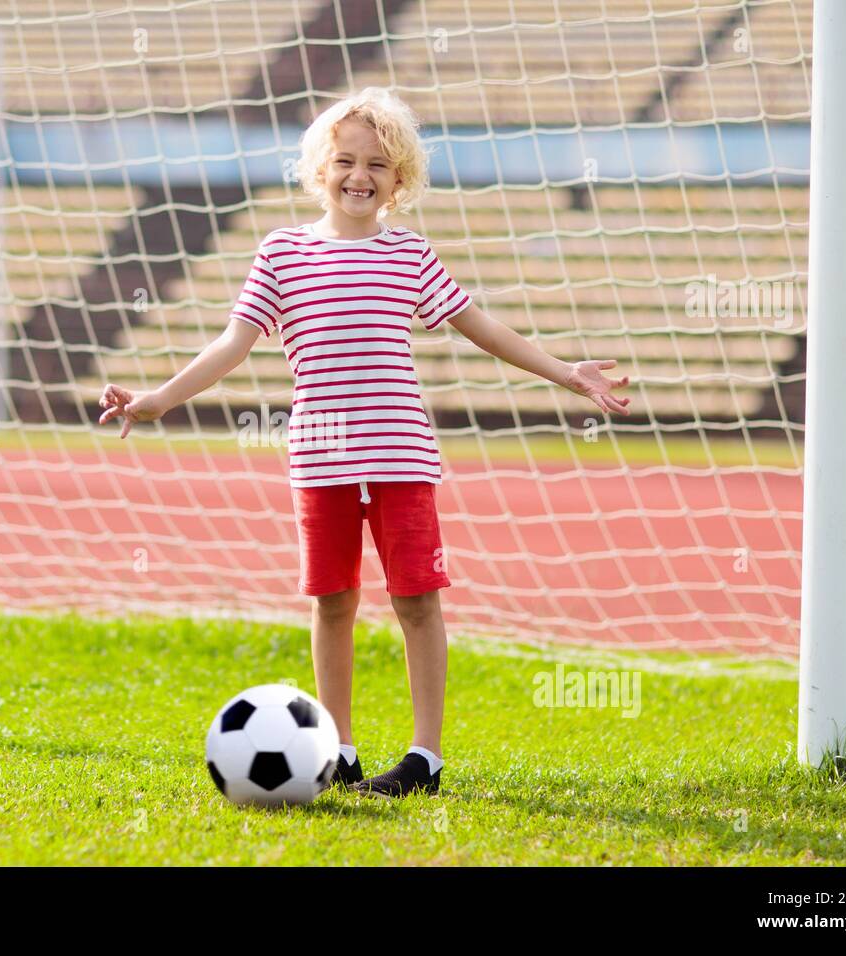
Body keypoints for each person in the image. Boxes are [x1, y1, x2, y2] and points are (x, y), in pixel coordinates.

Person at [100, 87, 631, 798]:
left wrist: (566, 372)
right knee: (333, 601)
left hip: (401, 459)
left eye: (378, 165)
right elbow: (234, 342)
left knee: (417, 601)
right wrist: (160, 397)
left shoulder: (410, 253)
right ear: (321, 169)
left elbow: (483, 327)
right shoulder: (281, 252)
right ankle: (339, 750)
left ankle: (425, 758)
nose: (360, 175)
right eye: (346, 160)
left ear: (399, 179)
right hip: (319, 460)